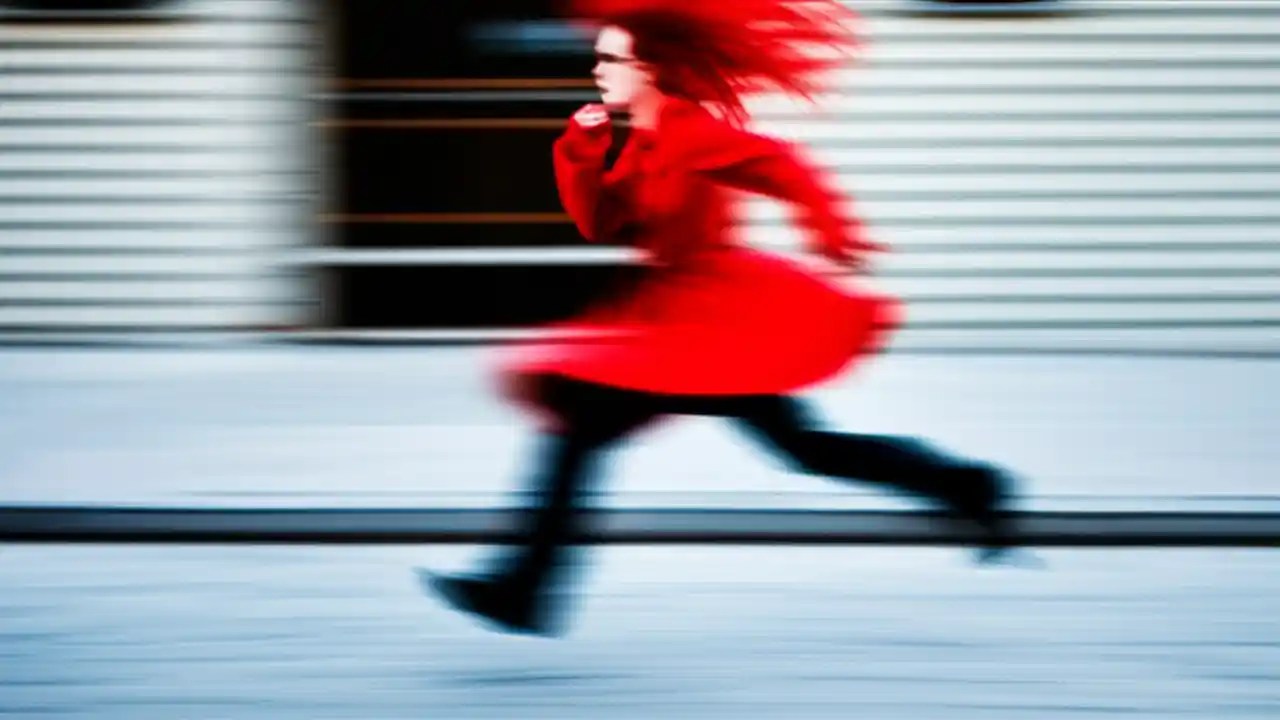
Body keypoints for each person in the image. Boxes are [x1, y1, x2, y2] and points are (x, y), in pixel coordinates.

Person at [424, 0, 1021, 637]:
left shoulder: (689, 129)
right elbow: (605, 222)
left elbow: (783, 165)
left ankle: (524, 587)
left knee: (790, 447)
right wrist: (579, 155)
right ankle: (967, 487)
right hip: (672, 321)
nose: (599, 69)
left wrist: (830, 231)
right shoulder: (649, 136)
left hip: (710, 323)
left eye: (613, 59)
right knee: (787, 446)